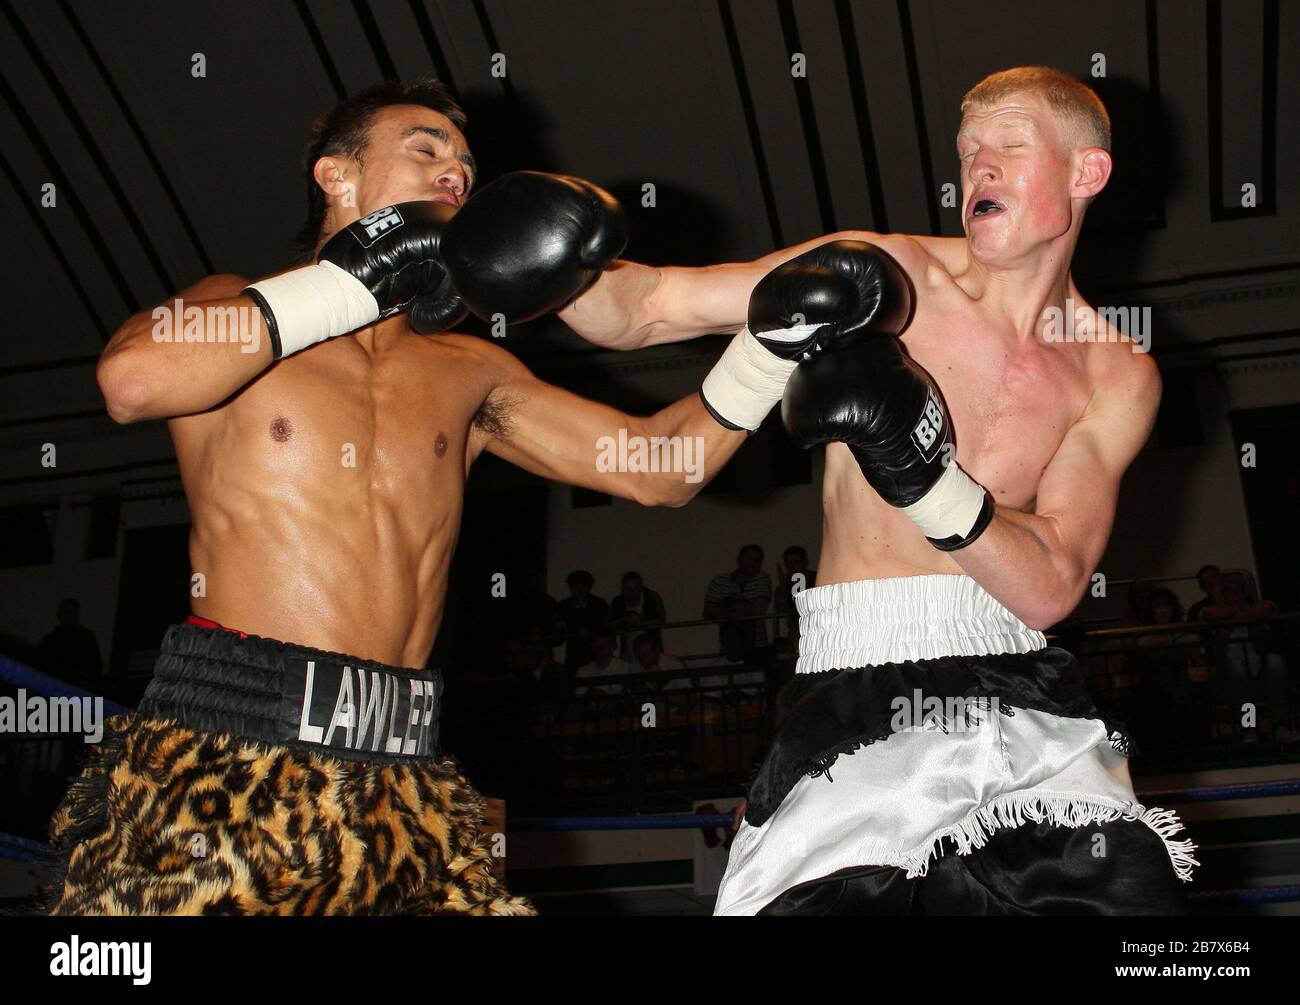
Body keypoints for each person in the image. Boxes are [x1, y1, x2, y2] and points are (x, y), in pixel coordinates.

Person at [43, 78, 806, 916]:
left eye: (466, 163)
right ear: (335, 175)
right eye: (426, 147)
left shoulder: (469, 370)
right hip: (230, 745)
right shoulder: (233, 310)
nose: (456, 171)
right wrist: (351, 284)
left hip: (404, 774)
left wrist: (773, 345)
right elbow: (131, 379)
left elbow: (659, 466)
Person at [559, 66, 1195, 914]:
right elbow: (647, 308)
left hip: (1027, 699)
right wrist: (547, 265)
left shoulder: (1118, 370)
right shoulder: (883, 279)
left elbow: (1050, 583)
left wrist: (923, 475)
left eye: (1009, 145)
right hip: (857, 687)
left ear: (1087, 172)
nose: (981, 169)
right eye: (969, 153)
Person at [703, 545, 773, 658]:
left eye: (758, 560)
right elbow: (708, 612)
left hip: (757, 646)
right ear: (739, 559)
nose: (754, 563)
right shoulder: (719, 581)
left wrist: (726, 607)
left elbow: (759, 609)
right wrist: (737, 607)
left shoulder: (761, 578)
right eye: (750, 558)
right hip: (728, 647)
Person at [37, 599, 102, 691]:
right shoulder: (49, 640)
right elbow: (40, 666)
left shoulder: (86, 638)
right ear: (59, 614)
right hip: (52, 689)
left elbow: (95, 669)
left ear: (76, 615)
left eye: (70, 612)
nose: (67, 615)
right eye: (64, 612)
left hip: (77, 691)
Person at [558, 570, 610, 670]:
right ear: (570, 587)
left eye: (583, 585)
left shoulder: (599, 604)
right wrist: (575, 631)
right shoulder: (563, 607)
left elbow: (606, 629)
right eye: (576, 586)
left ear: (589, 586)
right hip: (573, 656)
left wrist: (591, 633)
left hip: (596, 654)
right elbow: (560, 632)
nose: (579, 589)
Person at [610, 571, 667, 658]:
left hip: (652, 652)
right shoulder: (618, 602)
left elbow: (661, 621)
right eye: (627, 589)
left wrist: (641, 621)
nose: (631, 592)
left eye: (635, 588)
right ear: (622, 589)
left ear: (641, 588)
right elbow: (610, 625)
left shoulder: (651, 598)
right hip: (628, 655)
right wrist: (627, 620)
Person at [774, 546, 815, 637]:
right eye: (788, 564)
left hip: (817, 627)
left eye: (796, 562)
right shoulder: (785, 585)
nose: (792, 567)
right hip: (797, 632)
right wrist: (782, 586)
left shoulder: (816, 579)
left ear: (805, 562)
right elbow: (780, 611)